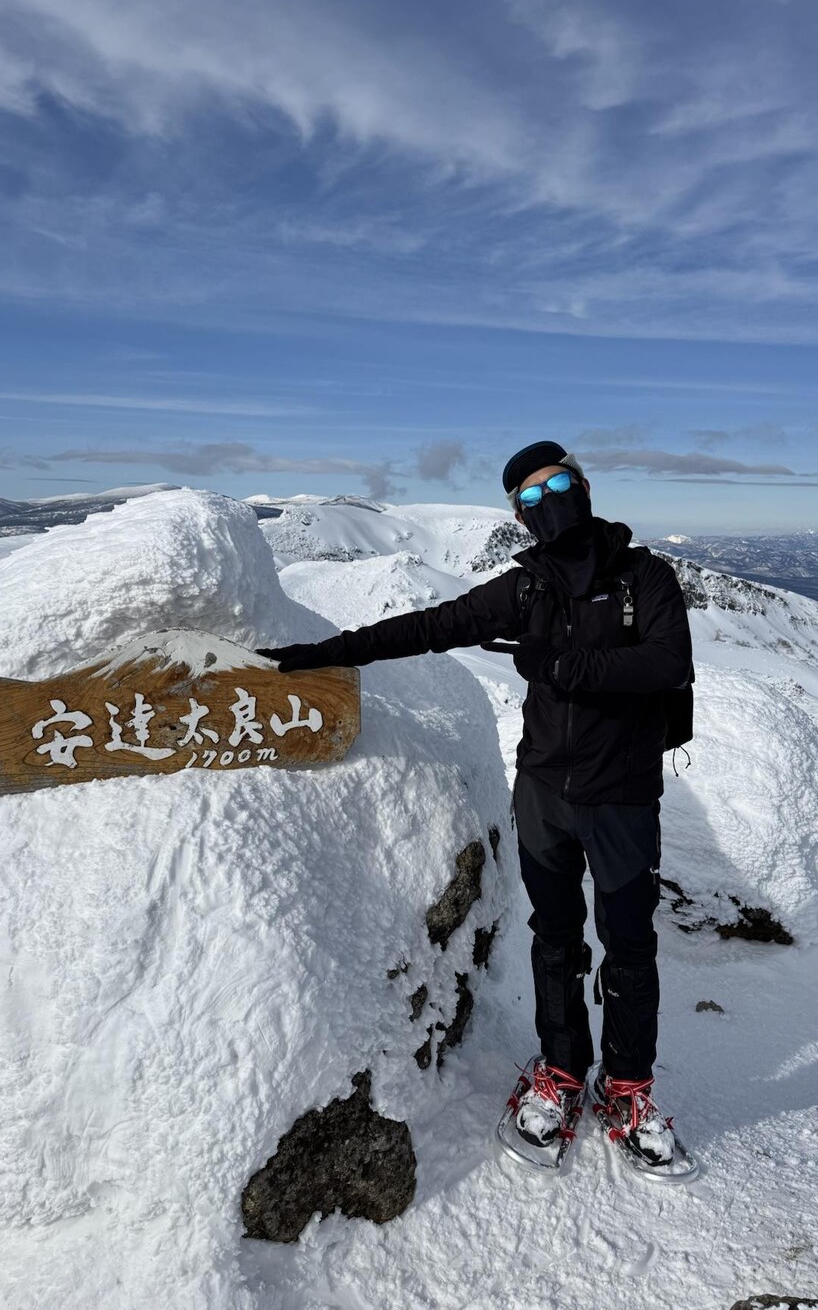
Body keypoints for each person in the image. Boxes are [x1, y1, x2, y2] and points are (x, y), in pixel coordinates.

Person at [257, 439, 694, 1171]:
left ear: (583, 485)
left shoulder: (643, 576)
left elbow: (667, 661)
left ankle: (627, 1087)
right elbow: (430, 628)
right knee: (555, 937)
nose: (545, 501)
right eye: (528, 497)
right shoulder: (524, 588)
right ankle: (560, 1073)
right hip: (547, 794)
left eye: (555, 484)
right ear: (518, 518)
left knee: (631, 945)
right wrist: (326, 653)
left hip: (622, 798)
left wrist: (562, 663)